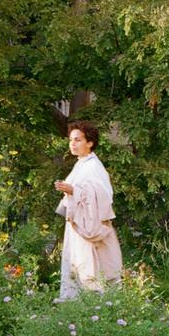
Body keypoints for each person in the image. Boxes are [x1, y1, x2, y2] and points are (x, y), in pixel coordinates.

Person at [54, 122, 123, 300]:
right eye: (71, 140)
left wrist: (73, 191)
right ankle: (76, 310)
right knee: (77, 266)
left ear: (90, 142)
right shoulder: (81, 164)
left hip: (89, 227)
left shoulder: (93, 166)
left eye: (78, 140)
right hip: (78, 225)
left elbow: (104, 196)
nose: (73, 144)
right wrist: (69, 190)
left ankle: (93, 308)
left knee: (90, 267)